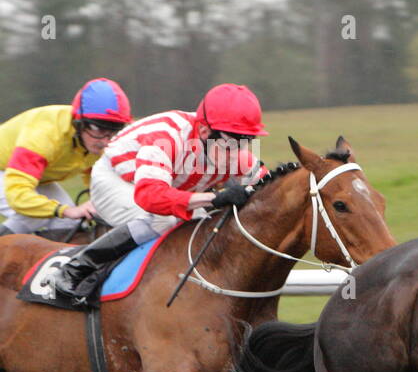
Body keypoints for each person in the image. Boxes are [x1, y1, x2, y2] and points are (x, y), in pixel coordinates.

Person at [53, 83, 269, 302]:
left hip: (165, 185)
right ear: (204, 131)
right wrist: (214, 198)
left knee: (203, 222)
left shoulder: (230, 149)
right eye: (230, 143)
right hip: (117, 179)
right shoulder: (167, 138)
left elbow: (267, 187)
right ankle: (76, 269)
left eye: (245, 141)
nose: (236, 153)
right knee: (162, 221)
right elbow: (151, 198)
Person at [0, 78, 132, 237]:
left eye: (113, 131)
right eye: (98, 129)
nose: (105, 141)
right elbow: (17, 196)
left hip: (31, 177)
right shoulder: (44, 136)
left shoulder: (95, 141)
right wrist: (65, 210)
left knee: (70, 221)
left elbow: (97, 181)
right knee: (36, 216)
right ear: (79, 123)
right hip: (9, 174)